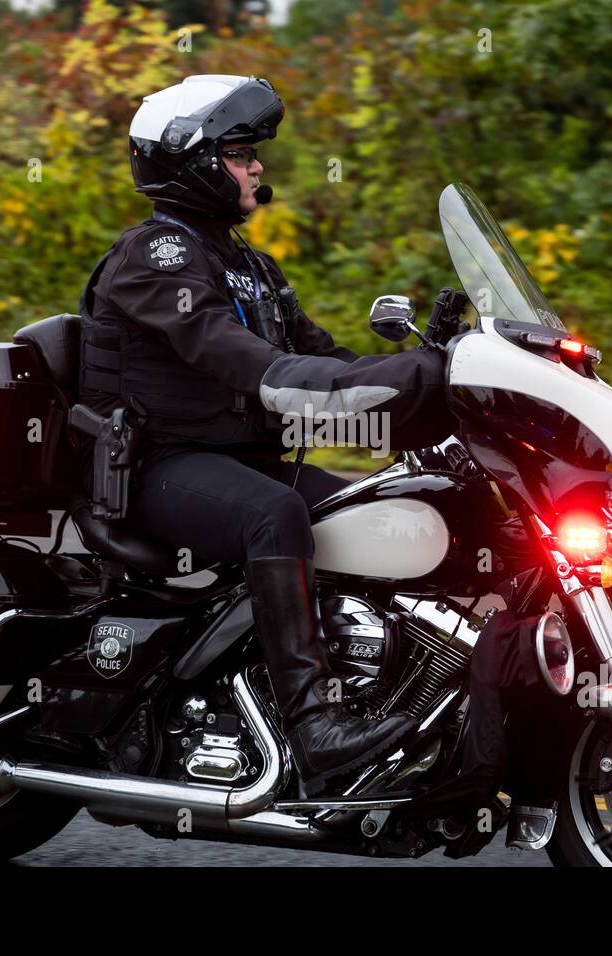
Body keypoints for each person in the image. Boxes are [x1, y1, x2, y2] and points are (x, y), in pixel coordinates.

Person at [78, 75, 453, 795]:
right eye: (241, 154)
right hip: (159, 469)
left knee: (380, 515)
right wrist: (370, 384)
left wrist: (434, 376)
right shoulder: (155, 257)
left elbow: (331, 360)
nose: (257, 168)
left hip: (243, 461)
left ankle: (392, 690)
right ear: (192, 161)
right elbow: (241, 359)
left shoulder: (250, 267)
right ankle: (314, 727)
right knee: (272, 514)